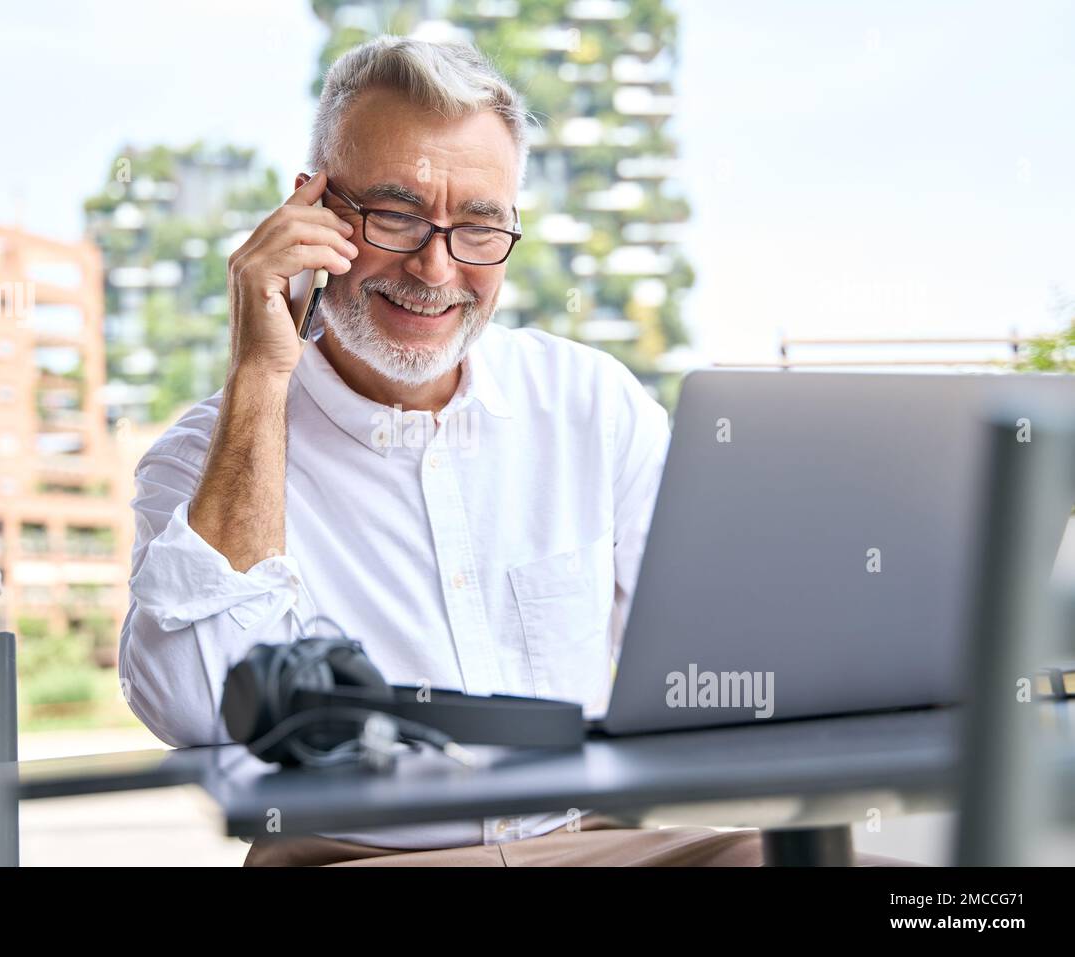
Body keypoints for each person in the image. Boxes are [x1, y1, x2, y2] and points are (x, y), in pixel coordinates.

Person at [118, 36, 902, 867]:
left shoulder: (590, 403)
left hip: (596, 840)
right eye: (396, 214)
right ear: (311, 211)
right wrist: (259, 373)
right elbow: (198, 709)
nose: (435, 265)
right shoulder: (206, 455)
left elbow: (717, 666)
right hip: (361, 858)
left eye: (479, 226)